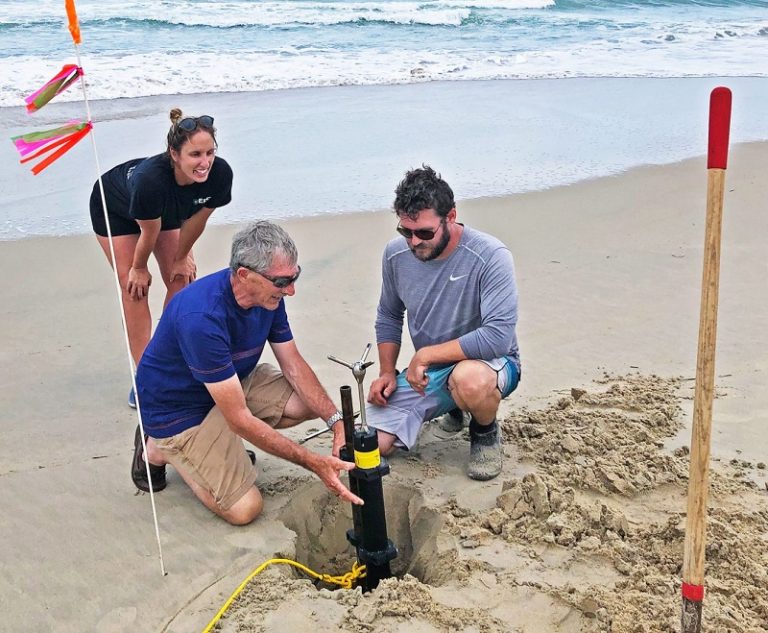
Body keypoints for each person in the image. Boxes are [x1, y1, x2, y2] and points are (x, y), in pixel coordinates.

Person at [132, 220, 361, 525]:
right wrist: (311, 462)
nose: (290, 290)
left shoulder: (268, 297)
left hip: (228, 384)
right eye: (282, 281)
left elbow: (292, 363)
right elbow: (239, 420)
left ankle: (215, 445)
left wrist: (335, 422)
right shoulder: (201, 317)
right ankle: (157, 449)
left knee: (310, 402)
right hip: (178, 410)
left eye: (295, 277)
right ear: (244, 275)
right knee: (245, 509)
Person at [365, 165, 520, 481]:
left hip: (490, 364)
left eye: (423, 232)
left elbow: (497, 338)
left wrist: (424, 355)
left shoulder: (491, 256)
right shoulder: (395, 255)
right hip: (432, 371)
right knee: (375, 443)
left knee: (469, 381)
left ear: (451, 216)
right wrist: (385, 372)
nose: (413, 242)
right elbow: (389, 315)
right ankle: (451, 406)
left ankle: (484, 431)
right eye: (405, 231)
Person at [89, 108, 233, 408]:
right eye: (195, 154)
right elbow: (148, 231)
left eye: (209, 152)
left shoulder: (220, 174)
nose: (204, 162)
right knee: (134, 289)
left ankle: (168, 356)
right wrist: (139, 268)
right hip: (115, 208)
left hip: (164, 213)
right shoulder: (150, 180)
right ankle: (148, 376)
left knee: (183, 279)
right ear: (174, 154)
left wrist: (182, 258)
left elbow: (197, 220)